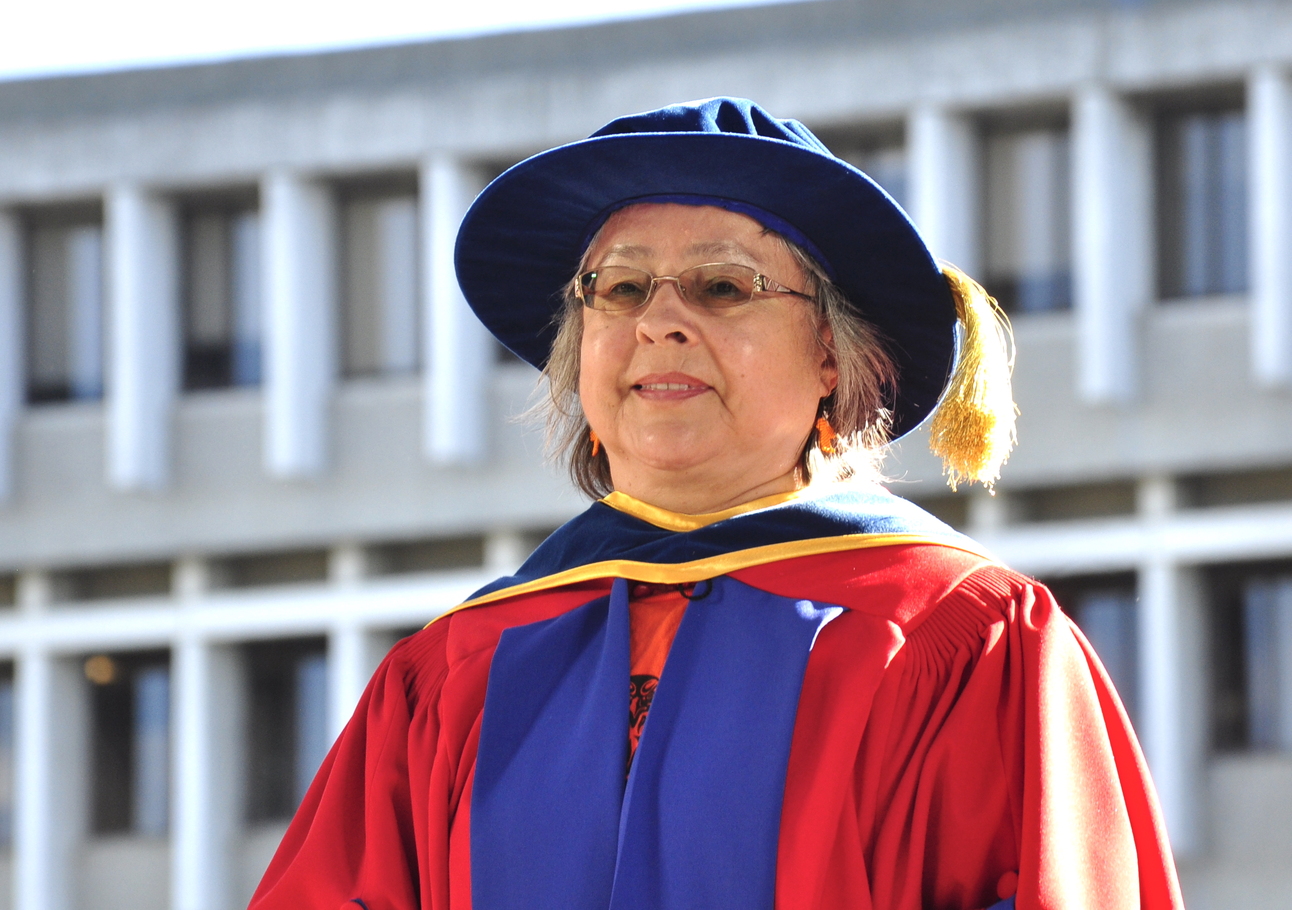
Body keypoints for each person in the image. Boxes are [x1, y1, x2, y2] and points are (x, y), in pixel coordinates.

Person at [248, 98, 1184, 910]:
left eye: (723, 287)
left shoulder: (963, 639)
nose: (659, 321)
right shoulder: (452, 673)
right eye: (618, 289)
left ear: (832, 358)